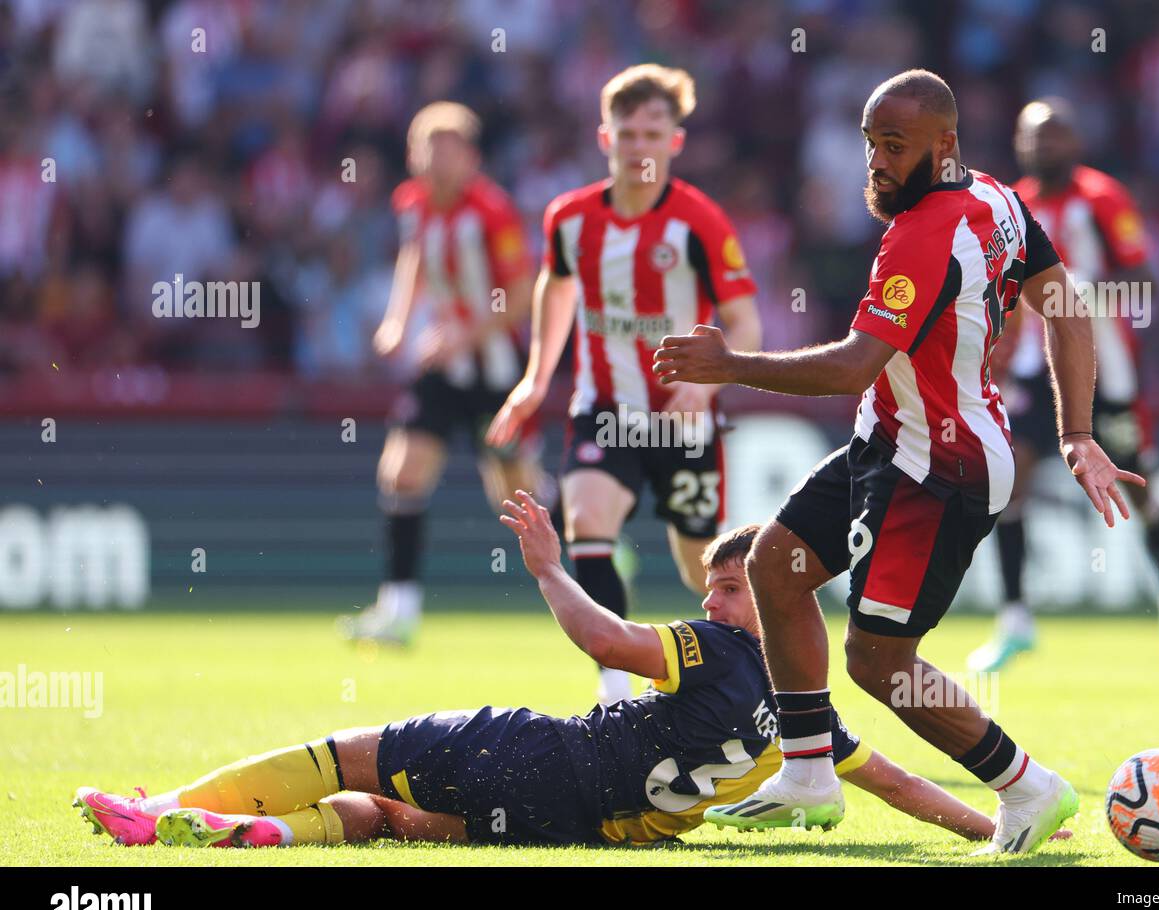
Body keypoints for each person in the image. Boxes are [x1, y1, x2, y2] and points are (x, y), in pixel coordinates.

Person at [652, 70, 1144, 854]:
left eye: (895, 146)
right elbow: (1065, 303)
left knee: (879, 661)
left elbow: (852, 365)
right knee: (775, 566)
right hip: (886, 441)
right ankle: (809, 774)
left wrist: (729, 363)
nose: (876, 162)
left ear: (944, 144)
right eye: (871, 143)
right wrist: (1076, 434)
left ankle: (1028, 788)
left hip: (941, 468)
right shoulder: (998, 200)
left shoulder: (925, 232)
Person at [73, 493, 1059, 850]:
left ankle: (153, 810)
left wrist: (549, 566)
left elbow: (607, 643)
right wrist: (1000, 821)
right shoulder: (806, 717)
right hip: (580, 826)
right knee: (386, 818)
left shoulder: (715, 649)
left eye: (728, 586)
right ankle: (257, 834)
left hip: (535, 753)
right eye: (719, 588)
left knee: (345, 752)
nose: (716, 601)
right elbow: (891, 780)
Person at [486, 64, 763, 705]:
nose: (639, 145)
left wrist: (713, 379)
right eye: (627, 132)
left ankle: (750, 685)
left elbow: (744, 315)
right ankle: (615, 694)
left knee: (705, 565)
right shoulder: (571, 218)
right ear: (605, 137)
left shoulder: (699, 220)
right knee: (585, 521)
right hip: (605, 407)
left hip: (683, 415)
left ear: (675, 142)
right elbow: (555, 288)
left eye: (652, 132)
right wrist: (534, 380)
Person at [966, 97, 1159, 675]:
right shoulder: (1012, 206)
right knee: (1007, 478)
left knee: (1140, 492)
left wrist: (1077, 295)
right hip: (1035, 375)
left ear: (1074, 142)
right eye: (1034, 137)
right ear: (1020, 143)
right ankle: (1016, 619)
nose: (1045, 147)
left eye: (1055, 136)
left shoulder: (1102, 199)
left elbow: (1144, 283)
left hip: (1105, 374)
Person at [337, 102, 544, 646]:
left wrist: (464, 333)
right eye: (428, 147)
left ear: (472, 158)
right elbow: (414, 259)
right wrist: (397, 320)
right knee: (402, 474)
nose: (437, 160)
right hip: (441, 368)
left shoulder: (493, 213)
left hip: (494, 372)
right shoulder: (412, 204)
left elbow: (522, 297)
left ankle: (586, 541)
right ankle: (399, 611)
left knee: (514, 494)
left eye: (450, 149)